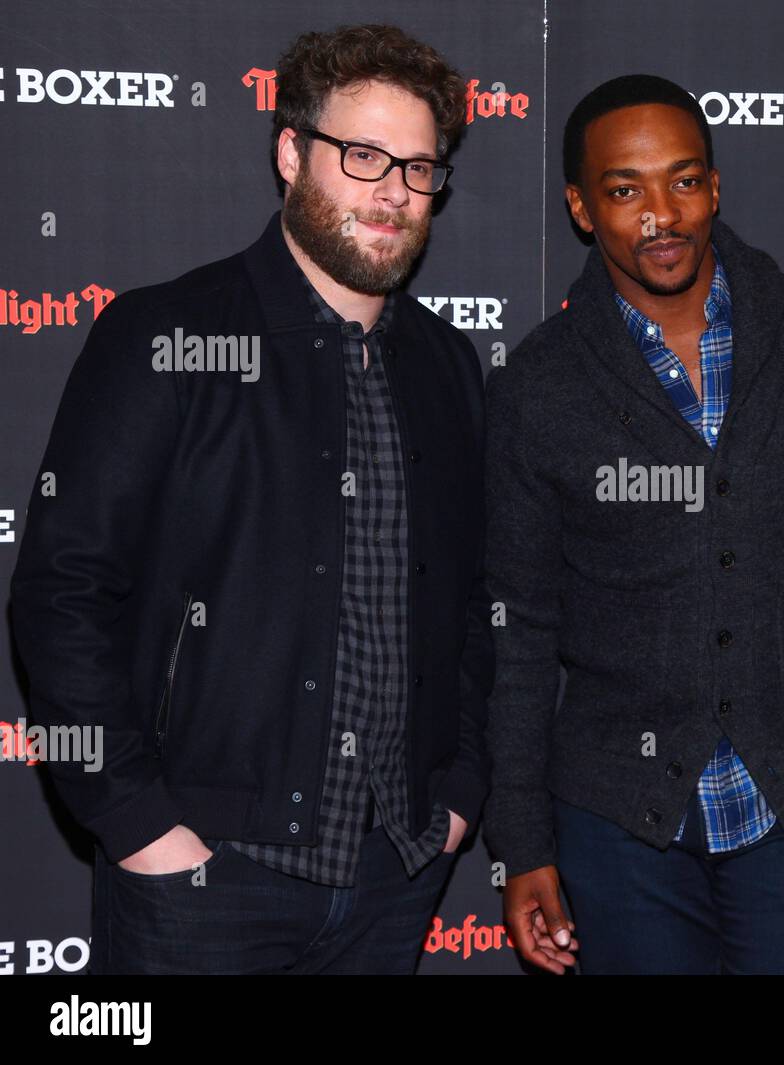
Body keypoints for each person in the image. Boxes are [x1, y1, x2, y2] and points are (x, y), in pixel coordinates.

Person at [10, 23, 492, 974]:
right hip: (202, 876)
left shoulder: (446, 364)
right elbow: (61, 590)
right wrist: (141, 824)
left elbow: (475, 600)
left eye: (419, 167)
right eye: (362, 156)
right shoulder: (165, 333)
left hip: (394, 874)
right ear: (290, 153)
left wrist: (463, 787)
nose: (392, 191)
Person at [484, 74, 784, 975]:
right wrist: (522, 841)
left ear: (716, 187)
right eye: (625, 190)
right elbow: (517, 630)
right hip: (620, 825)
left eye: (684, 180)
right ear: (582, 209)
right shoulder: (535, 390)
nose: (661, 215)